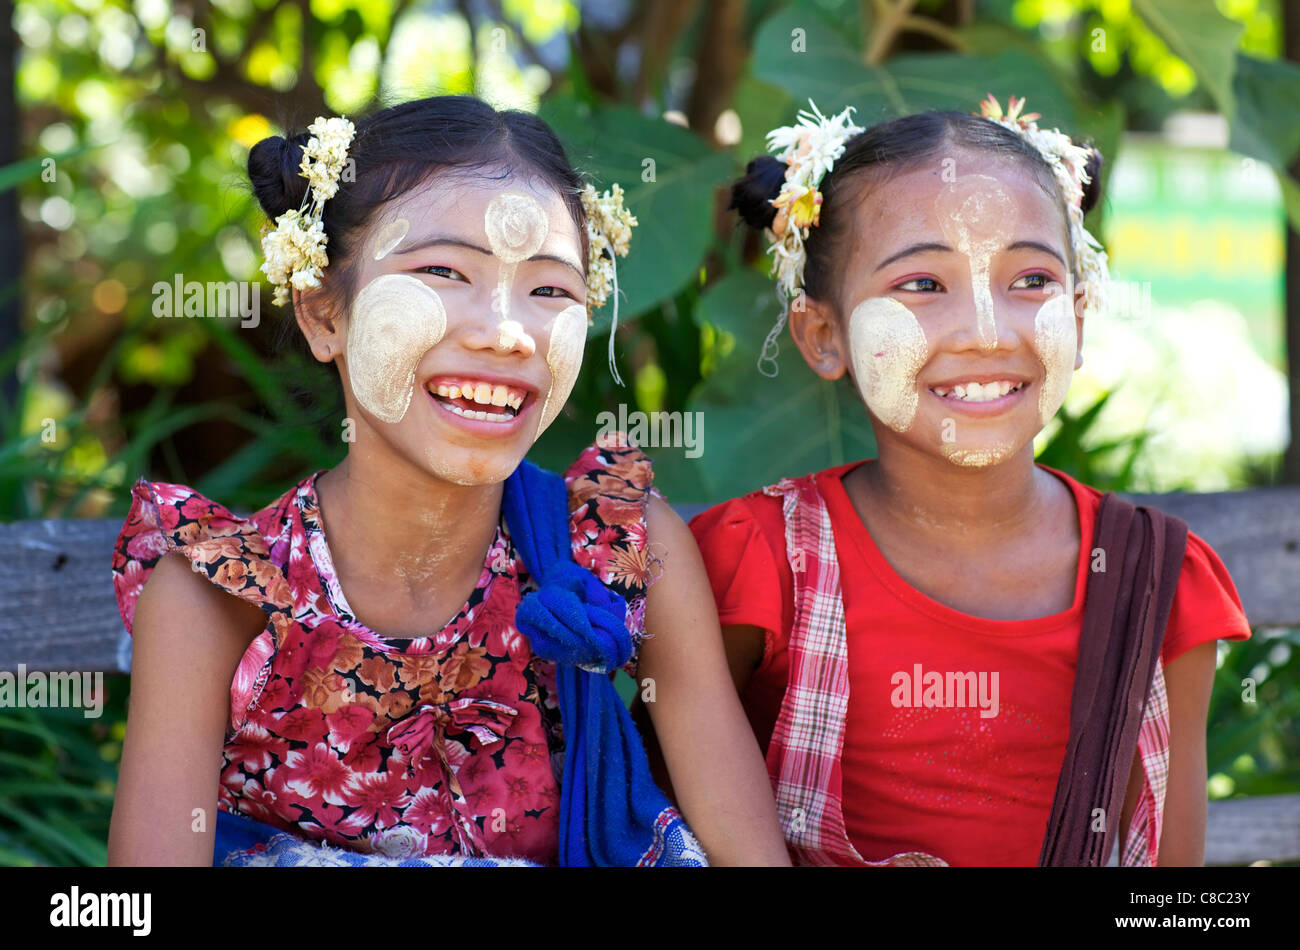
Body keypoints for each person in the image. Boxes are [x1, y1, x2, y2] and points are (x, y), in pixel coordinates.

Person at [108, 94, 788, 867]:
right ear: (324, 315)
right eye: (442, 271)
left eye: (550, 290)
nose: (505, 333)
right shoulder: (219, 595)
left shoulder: (620, 547)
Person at [688, 95, 1251, 866]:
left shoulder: (1158, 581)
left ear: (1079, 319)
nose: (987, 330)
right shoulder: (756, 562)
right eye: (923, 284)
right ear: (824, 335)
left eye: (1030, 279)